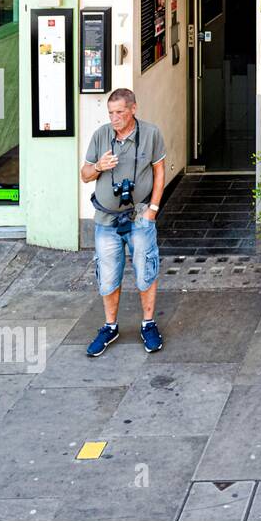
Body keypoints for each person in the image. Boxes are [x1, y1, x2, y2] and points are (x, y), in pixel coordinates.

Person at [80, 88, 167, 356]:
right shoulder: (100, 136)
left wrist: (153, 208)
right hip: (106, 219)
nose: (114, 118)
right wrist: (98, 167)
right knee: (107, 275)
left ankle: (148, 323)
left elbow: (159, 171)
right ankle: (109, 327)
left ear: (133, 109)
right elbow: (84, 175)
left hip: (140, 217)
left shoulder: (150, 134)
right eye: (110, 113)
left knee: (146, 270)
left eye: (119, 112)